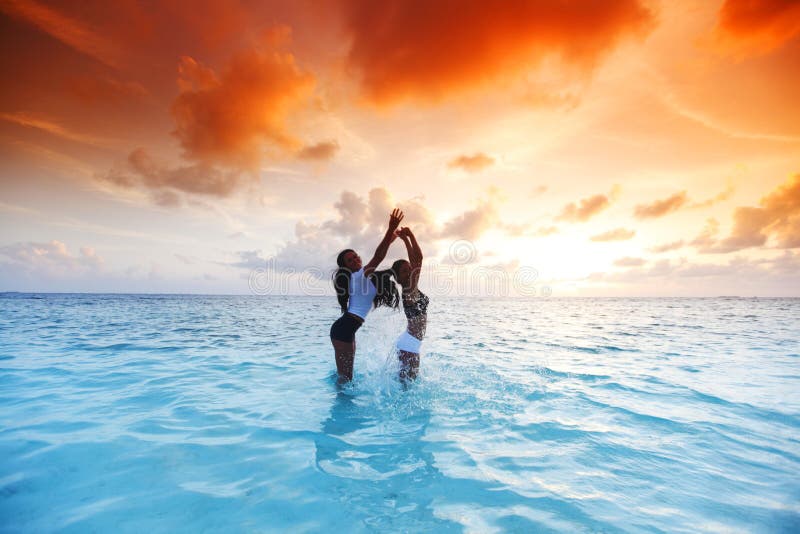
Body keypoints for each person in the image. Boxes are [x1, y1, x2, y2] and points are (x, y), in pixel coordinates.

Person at [330, 209, 404, 382]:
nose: (355, 260)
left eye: (355, 256)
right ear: (346, 267)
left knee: (346, 378)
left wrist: (394, 236)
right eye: (350, 260)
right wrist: (390, 228)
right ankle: (341, 405)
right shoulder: (358, 276)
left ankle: (342, 404)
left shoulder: (362, 277)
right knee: (345, 380)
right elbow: (378, 256)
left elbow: (379, 255)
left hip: (346, 330)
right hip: (343, 330)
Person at [391, 226, 428, 382]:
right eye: (405, 271)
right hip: (410, 345)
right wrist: (409, 236)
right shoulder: (408, 289)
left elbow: (416, 261)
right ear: (398, 277)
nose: (410, 272)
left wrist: (406, 238)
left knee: (404, 386)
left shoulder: (411, 288)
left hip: (409, 342)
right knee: (408, 387)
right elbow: (418, 259)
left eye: (409, 269)